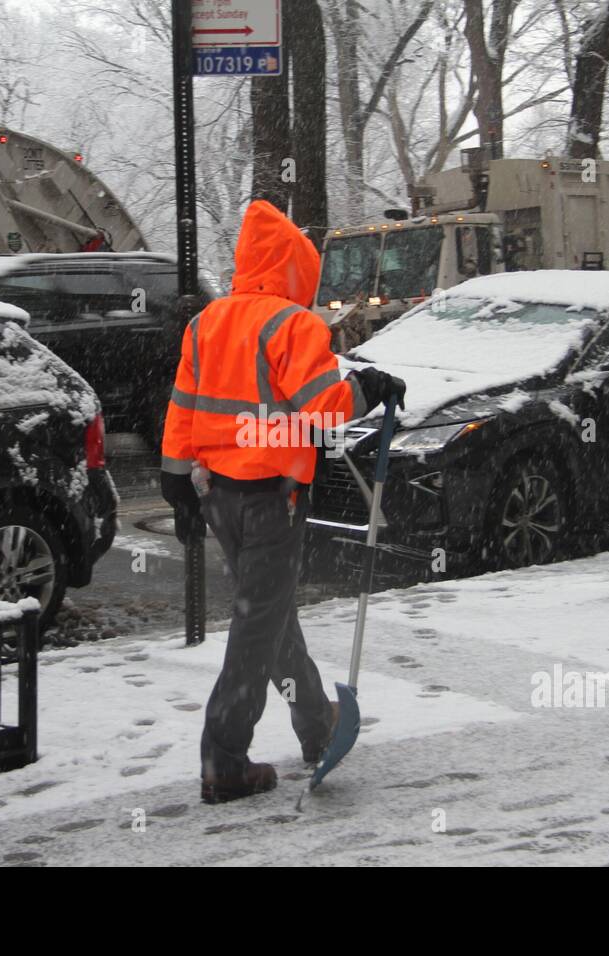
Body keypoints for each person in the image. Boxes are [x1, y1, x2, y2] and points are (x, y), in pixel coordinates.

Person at [160, 200, 405, 804]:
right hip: (273, 499)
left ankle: (316, 725)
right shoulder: (292, 325)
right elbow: (326, 410)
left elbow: (183, 412)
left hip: (218, 494)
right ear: (295, 270)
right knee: (258, 625)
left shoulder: (208, 323)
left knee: (270, 618)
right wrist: (368, 388)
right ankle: (224, 756)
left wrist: (176, 488)